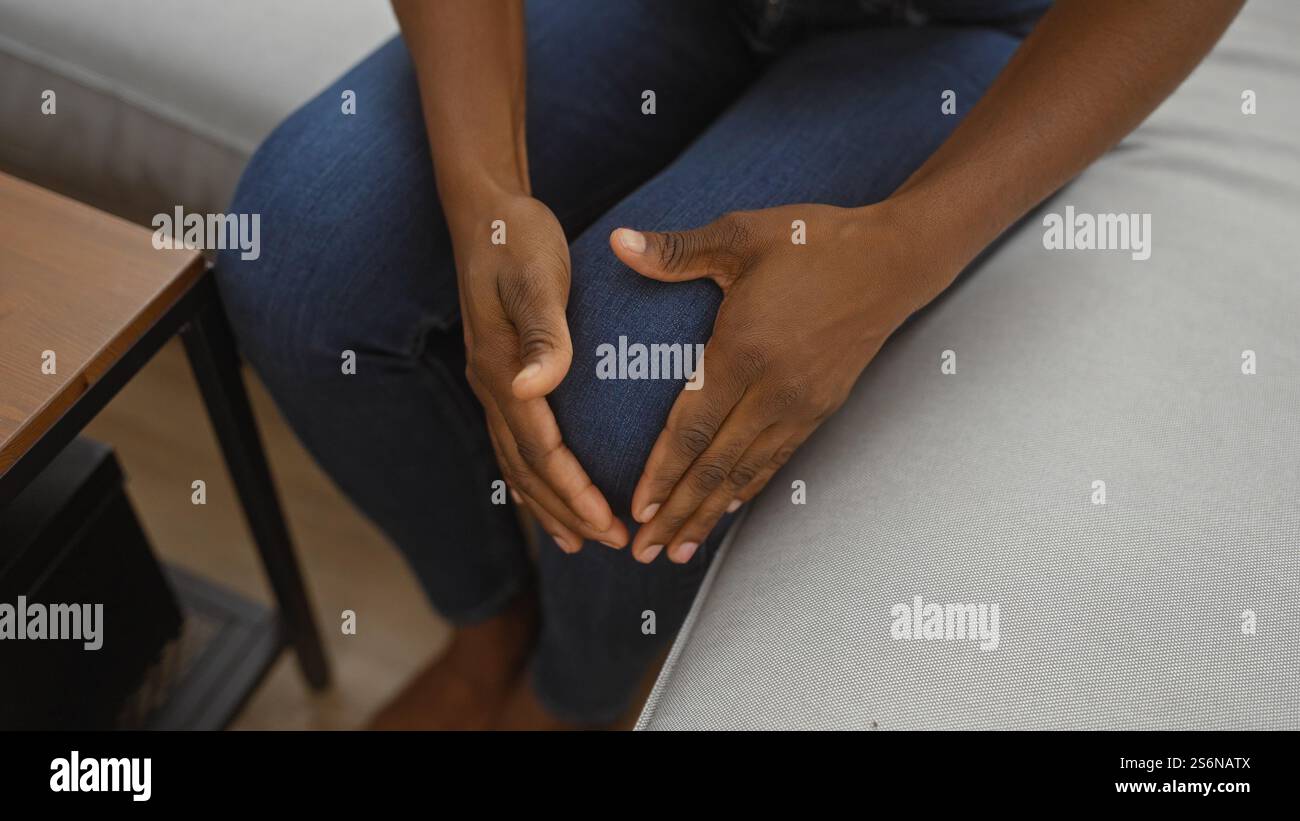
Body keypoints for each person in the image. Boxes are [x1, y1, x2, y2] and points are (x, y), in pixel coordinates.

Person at [216, 0, 1243, 729]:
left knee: (625, 399)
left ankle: (572, 696)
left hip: (967, 28)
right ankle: (486, 626)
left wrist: (901, 251)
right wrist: (481, 192)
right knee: (292, 250)